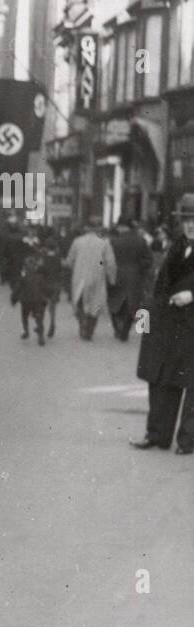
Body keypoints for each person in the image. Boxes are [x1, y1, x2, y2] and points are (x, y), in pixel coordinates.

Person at [133, 194, 194, 453]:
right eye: (187, 220)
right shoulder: (177, 245)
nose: (190, 225)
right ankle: (157, 434)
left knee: (191, 384)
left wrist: (192, 295)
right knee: (162, 378)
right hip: (168, 323)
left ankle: (188, 440)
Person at [66, 219, 117, 340]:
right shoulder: (104, 243)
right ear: (98, 228)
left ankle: (82, 322)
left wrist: (72, 267)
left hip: (79, 277)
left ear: (86, 228)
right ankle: (89, 330)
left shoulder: (77, 242)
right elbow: (111, 263)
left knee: (79, 302)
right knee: (95, 304)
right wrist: (112, 278)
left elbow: (70, 260)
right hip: (97, 277)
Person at [108, 219, 153, 342]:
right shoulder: (141, 240)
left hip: (116, 276)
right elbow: (149, 260)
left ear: (122, 227)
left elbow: (107, 261)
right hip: (135, 277)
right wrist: (140, 268)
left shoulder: (113, 241)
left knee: (114, 303)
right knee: (131, 305)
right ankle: (125, 331)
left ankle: (117, 328)